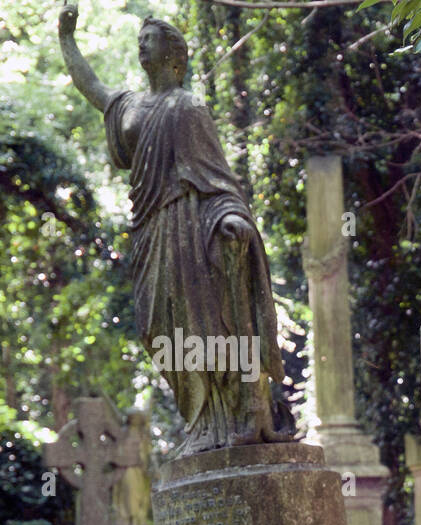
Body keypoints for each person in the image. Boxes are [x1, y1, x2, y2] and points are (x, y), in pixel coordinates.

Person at [59, 4, 295, 455]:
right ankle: (200, 420)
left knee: (206, 328)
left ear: (174, 56)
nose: (140, 45)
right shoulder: (129, 103)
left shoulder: (189, 107)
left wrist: (231, 218)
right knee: (158, 329)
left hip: (191, 229)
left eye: (149, 39)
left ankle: (229, 419)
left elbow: (219, 180)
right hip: (150, 232)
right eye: (139, 40)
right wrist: (67, 41)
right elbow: (91, 87)